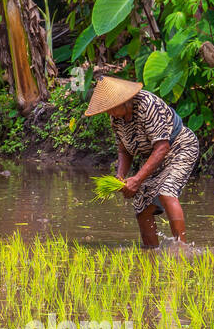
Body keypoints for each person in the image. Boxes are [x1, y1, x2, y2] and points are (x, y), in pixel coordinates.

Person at [85, 75, 198, 248]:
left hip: (180, 147)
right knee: (142, 207)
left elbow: (162, 147)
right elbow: (124, 149)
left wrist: (137, 179)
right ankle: (150, 253)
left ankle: (181, 250)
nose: (109, 113)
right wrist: (120, 175)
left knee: (166, 191)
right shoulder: (116, 118)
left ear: (124, 101)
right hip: (155, 158)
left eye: (111, 108)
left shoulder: (148, 105)